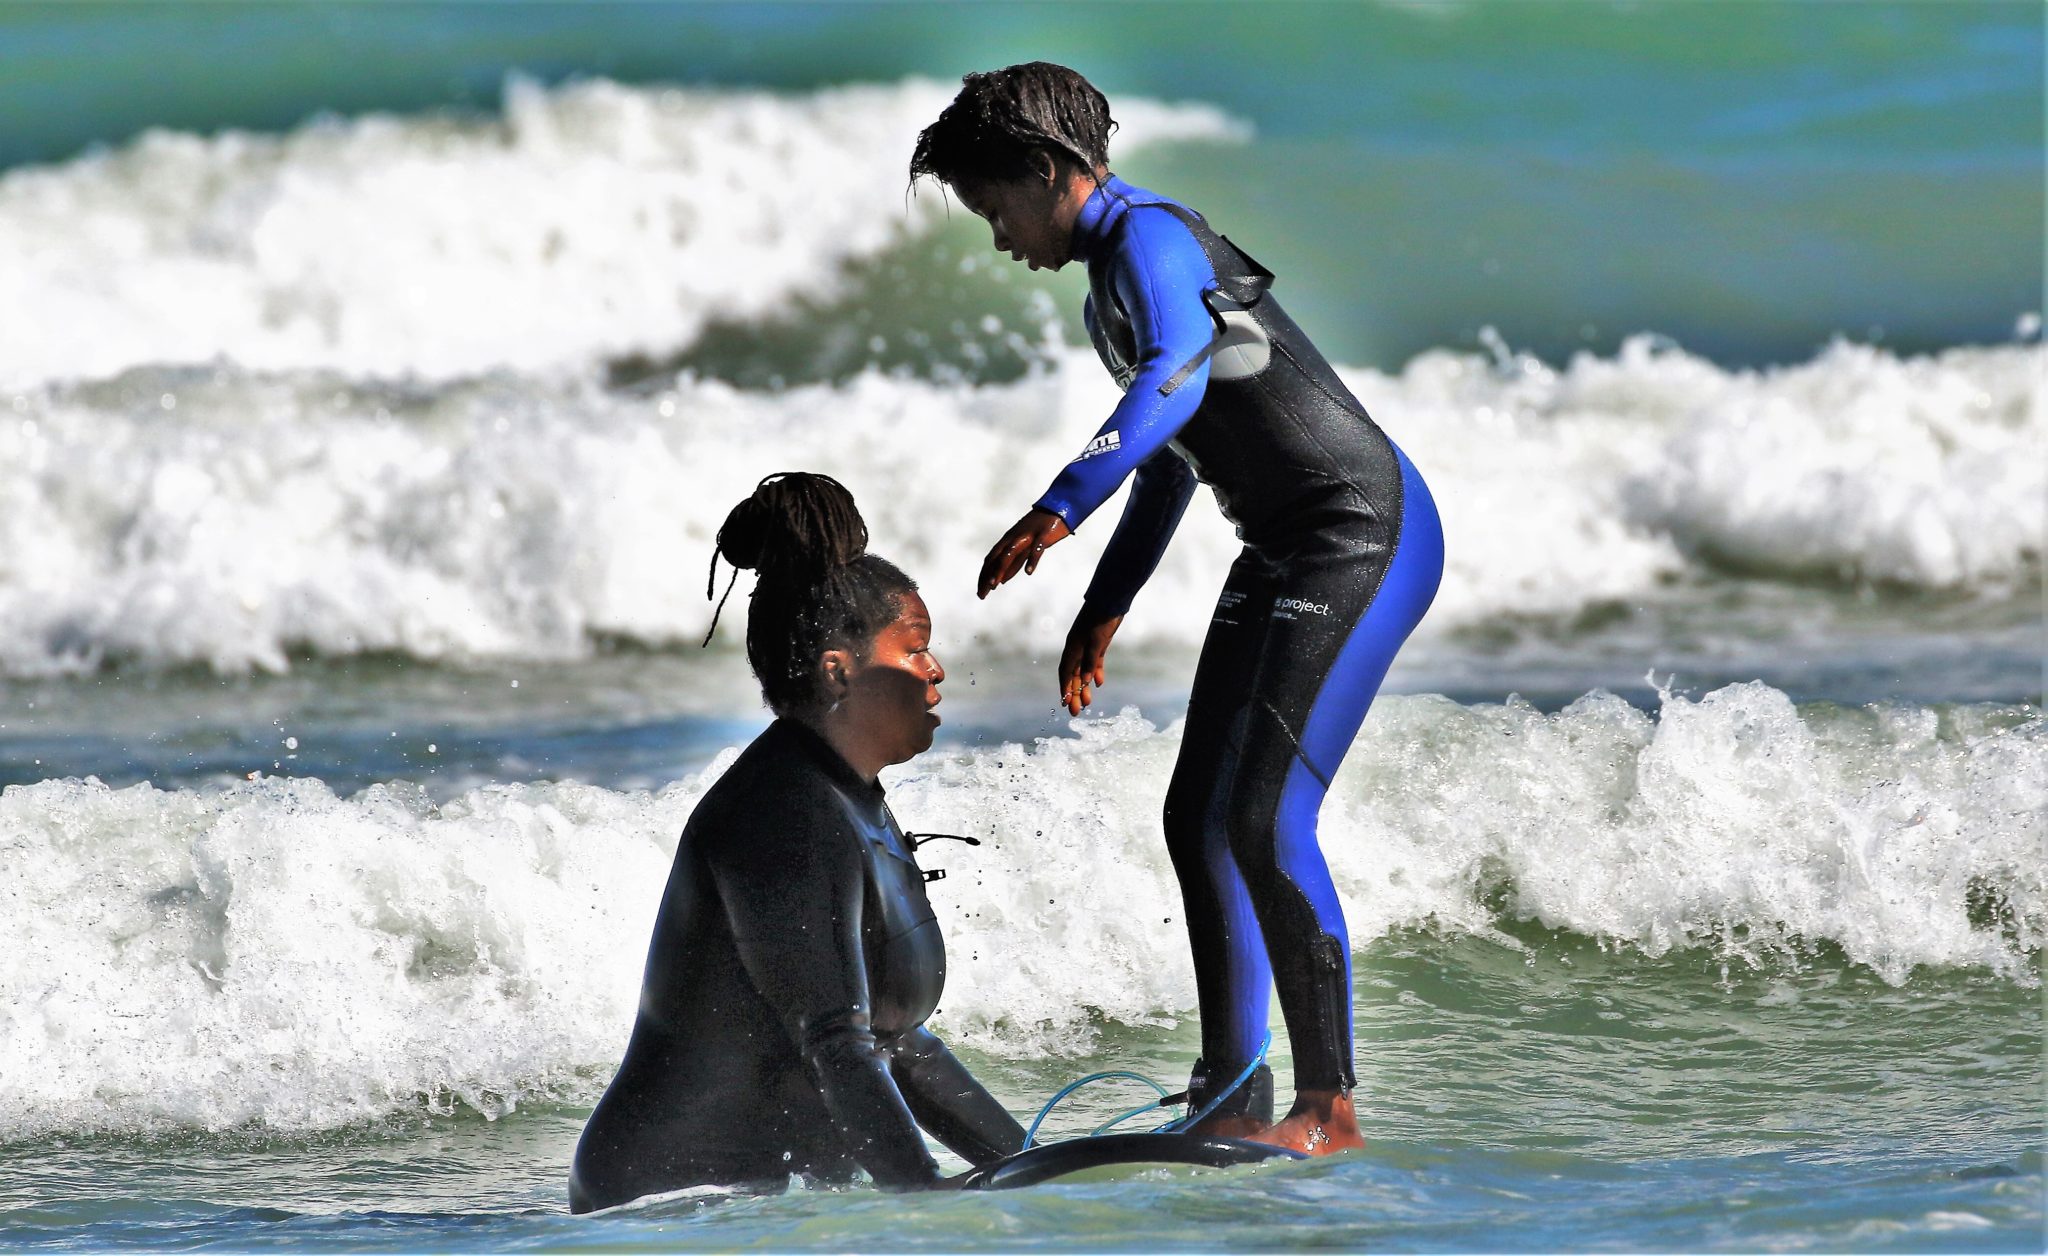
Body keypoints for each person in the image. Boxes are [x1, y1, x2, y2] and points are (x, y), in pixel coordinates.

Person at [909, 63, 1445, 1156]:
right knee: (1194, 813)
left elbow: (1173, 378)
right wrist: (1101, 610)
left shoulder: (1150, 236)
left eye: (995, 207)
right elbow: (1170, 462)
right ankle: (1231, 1086)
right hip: (1287, 540)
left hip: (1358, 532)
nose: (998, 236)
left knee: (1262, 816)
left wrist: (1057, 506)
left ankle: (1327, 1106)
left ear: (1049, 171)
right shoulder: (1107, 275)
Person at [569, 473, 1025, 1211]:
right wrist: (931, 1211)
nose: (936, 671)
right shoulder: (785, 811)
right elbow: (838, 1044)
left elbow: (897, 1043)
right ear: (838, 671)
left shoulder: (849, 797)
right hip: (669, 1208)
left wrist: (1030, 1169)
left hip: (760, 1205)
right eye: (914, 650)